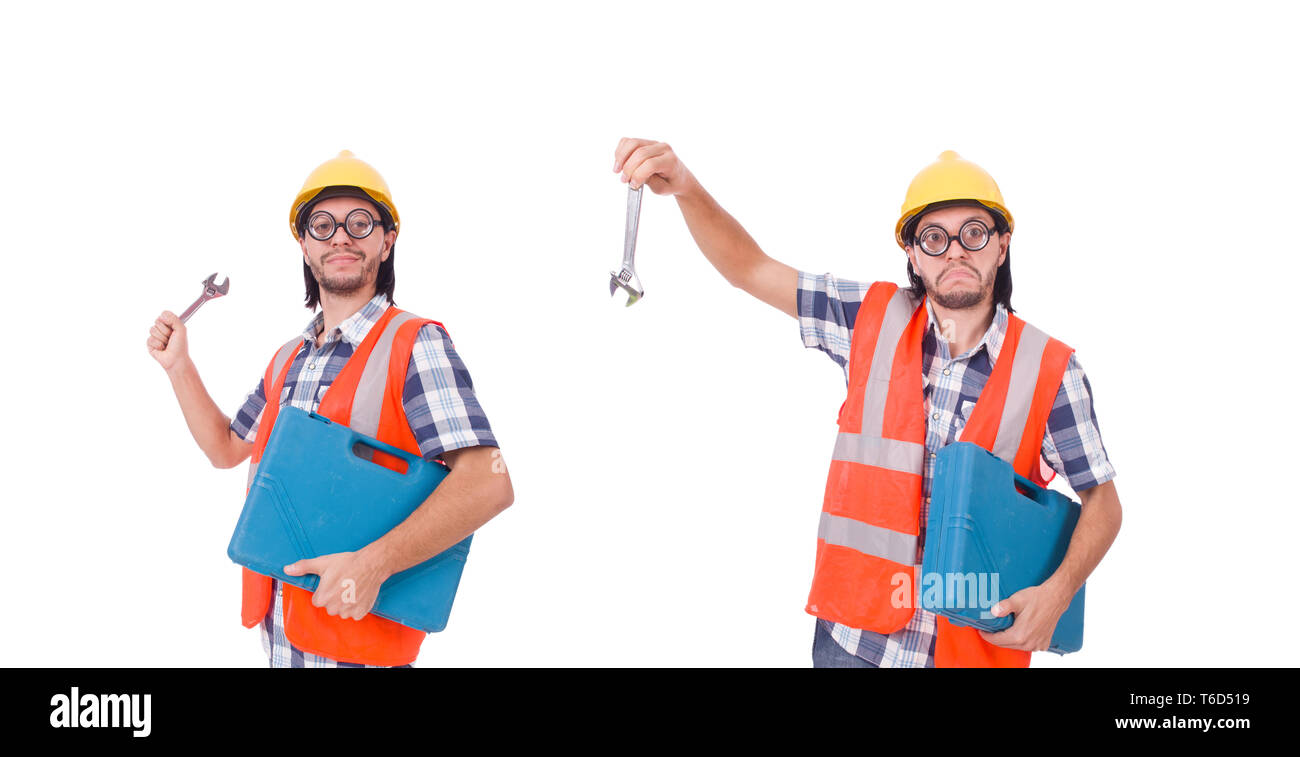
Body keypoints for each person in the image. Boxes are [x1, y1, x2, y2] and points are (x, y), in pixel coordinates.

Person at [611, 139, 1121, 667]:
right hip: (853, 646)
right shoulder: (868, 322)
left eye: (974, 232)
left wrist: (1058, 592)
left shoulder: (1052, 370)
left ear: (1001, 244)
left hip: (969, 653)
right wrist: (687, 189)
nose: (955, 251)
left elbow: (1104, 505)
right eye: (934, 237)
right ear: (913, 254)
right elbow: (750, 268)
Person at [147, 150, 512, 667]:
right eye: (323, 224)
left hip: (358, 646)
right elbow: (226, 447)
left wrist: (374, 565)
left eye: (359, 223)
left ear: (387, 241)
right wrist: (179, 366)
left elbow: (488, 482)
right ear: (303, 244)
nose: (340, 235)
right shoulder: (288, 358)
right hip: (283, 643)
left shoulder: (414, 344)